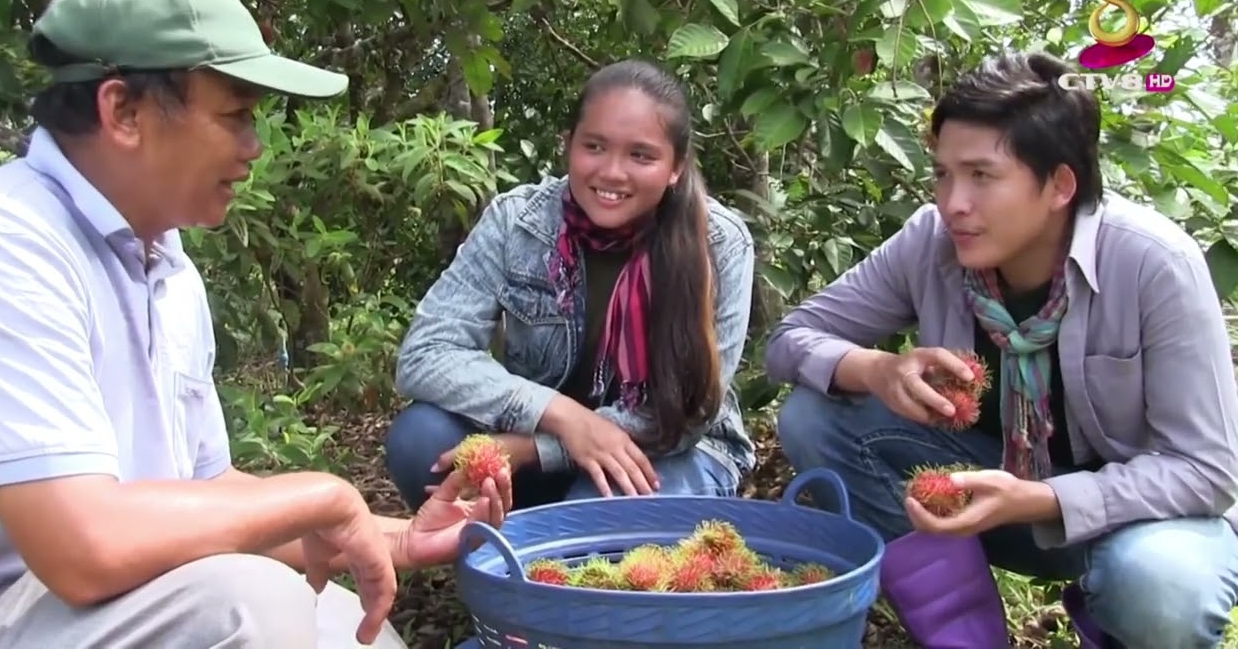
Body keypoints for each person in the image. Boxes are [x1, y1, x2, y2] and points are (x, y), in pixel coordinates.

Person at [0, 0, 510, 649]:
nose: (253, 147)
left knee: (343, 628)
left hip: (116, 596)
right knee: (251, 605)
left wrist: (393, 536)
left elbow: (207, 494)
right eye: (235, 116)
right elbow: (85, 545)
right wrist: (323, 495)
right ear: (123, 111)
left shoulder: (166, 263)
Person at [765, 51, 1238, 649]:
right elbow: (788, 341)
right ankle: (963, 630)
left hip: (1132, 521)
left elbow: (1206, 470)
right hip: (988, 499)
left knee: (1159, 588)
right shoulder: (932, 243)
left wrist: (1039, 498)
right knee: (816, 416)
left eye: (982, 176)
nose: (953, 201)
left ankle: (1112, 615)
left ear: (1060, 185)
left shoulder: (1152, 263)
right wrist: (879, 368)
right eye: (942, 174)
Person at [383, 59, 757, 513]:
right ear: (568, 146)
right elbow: (426, 353)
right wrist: (559, 415)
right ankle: (495, 560)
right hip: (536, 438)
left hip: (667, 455)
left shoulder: (718, 243)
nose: (612, 173)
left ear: (675, 166)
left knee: (595, 516)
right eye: (595, 146)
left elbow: (687, 415)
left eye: (641, 155)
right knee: (421, 439)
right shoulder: (517, 222)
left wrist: (537, 448)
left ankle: (569, 556)